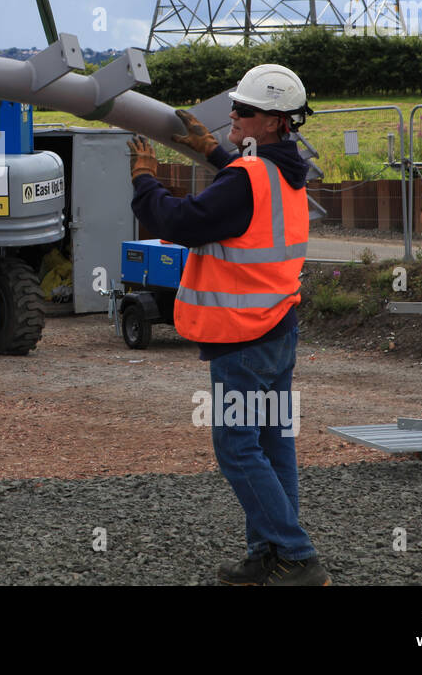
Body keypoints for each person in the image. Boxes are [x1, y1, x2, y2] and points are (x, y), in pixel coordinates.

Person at [127, 64, 328, 586]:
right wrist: (214, 152)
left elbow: (180, 222)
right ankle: (270, 555)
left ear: (276, 122)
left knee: (239, 447)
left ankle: (296, 556)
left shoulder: (249, 176)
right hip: (276, 326)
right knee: (271, 441)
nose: (232, 116)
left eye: (244, 111)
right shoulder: (286, 168)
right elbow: (248, 194)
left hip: (242, 336)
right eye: (234, 107)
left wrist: (144, 181)